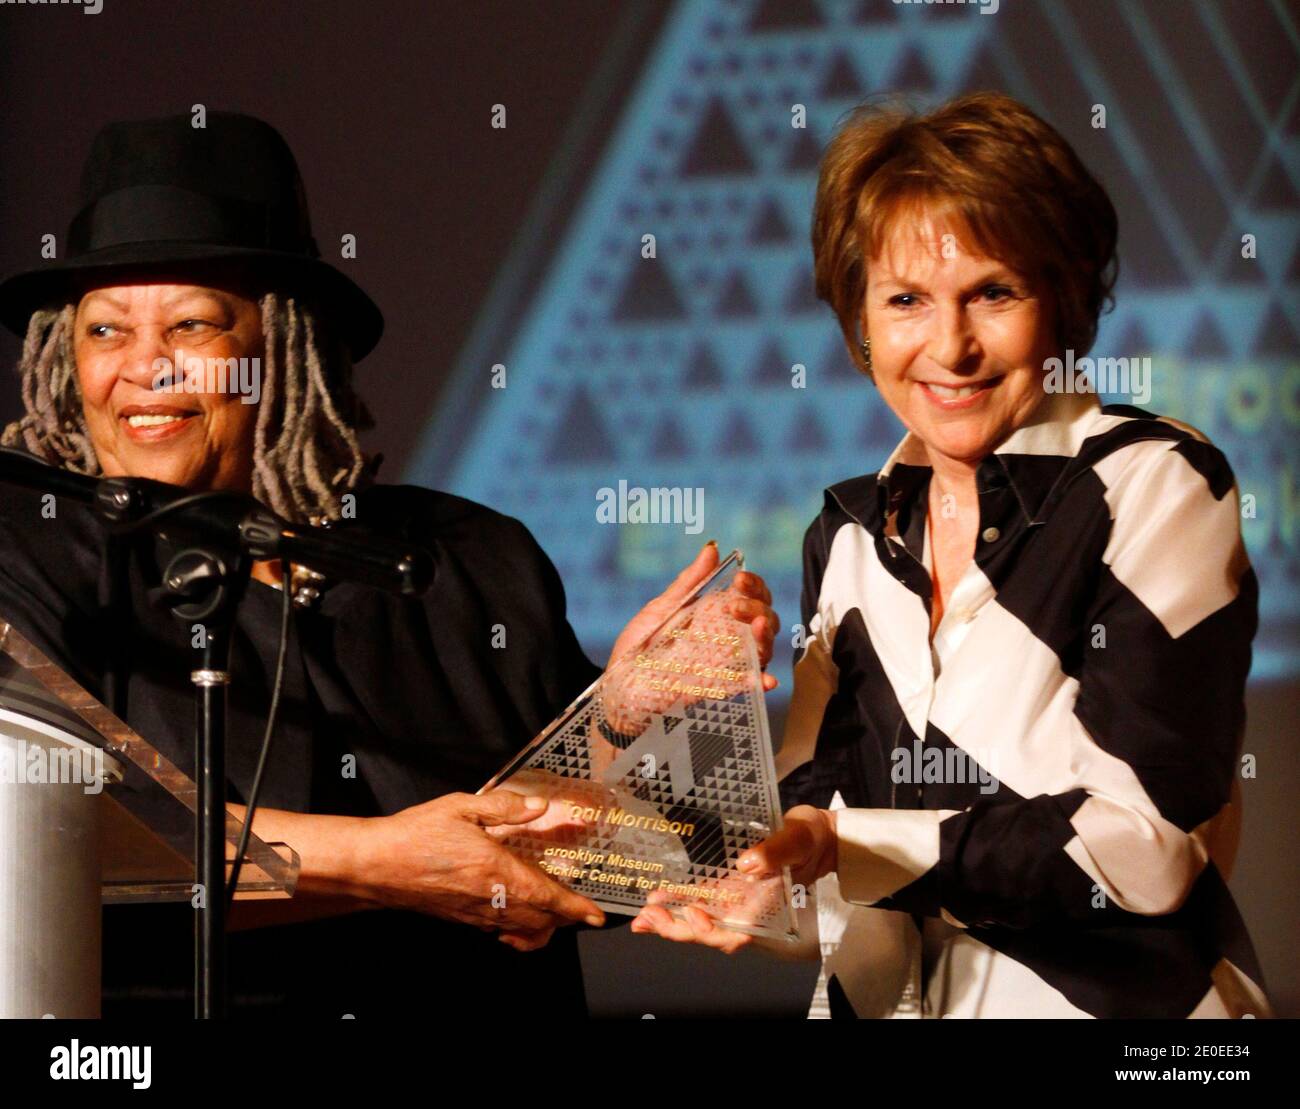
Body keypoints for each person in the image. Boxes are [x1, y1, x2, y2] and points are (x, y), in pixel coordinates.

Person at [0, 111, 777, 1016]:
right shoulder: (35, 553)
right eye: (103, 333)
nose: (143, 368)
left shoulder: (471, 558)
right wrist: (383, 864)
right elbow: (53, 832)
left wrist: (619, 721)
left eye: (192, 324)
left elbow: (599, 853)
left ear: (285, 347)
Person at [630, 91, 1273, 1019]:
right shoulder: (848, 535)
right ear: (860, 324)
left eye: (994, 293)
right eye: (905, 301)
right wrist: (683, 732)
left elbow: (1144, 849)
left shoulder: (1153, 484)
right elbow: (817, 893)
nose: (952, 347)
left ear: (1065, 301)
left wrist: (844, 843)